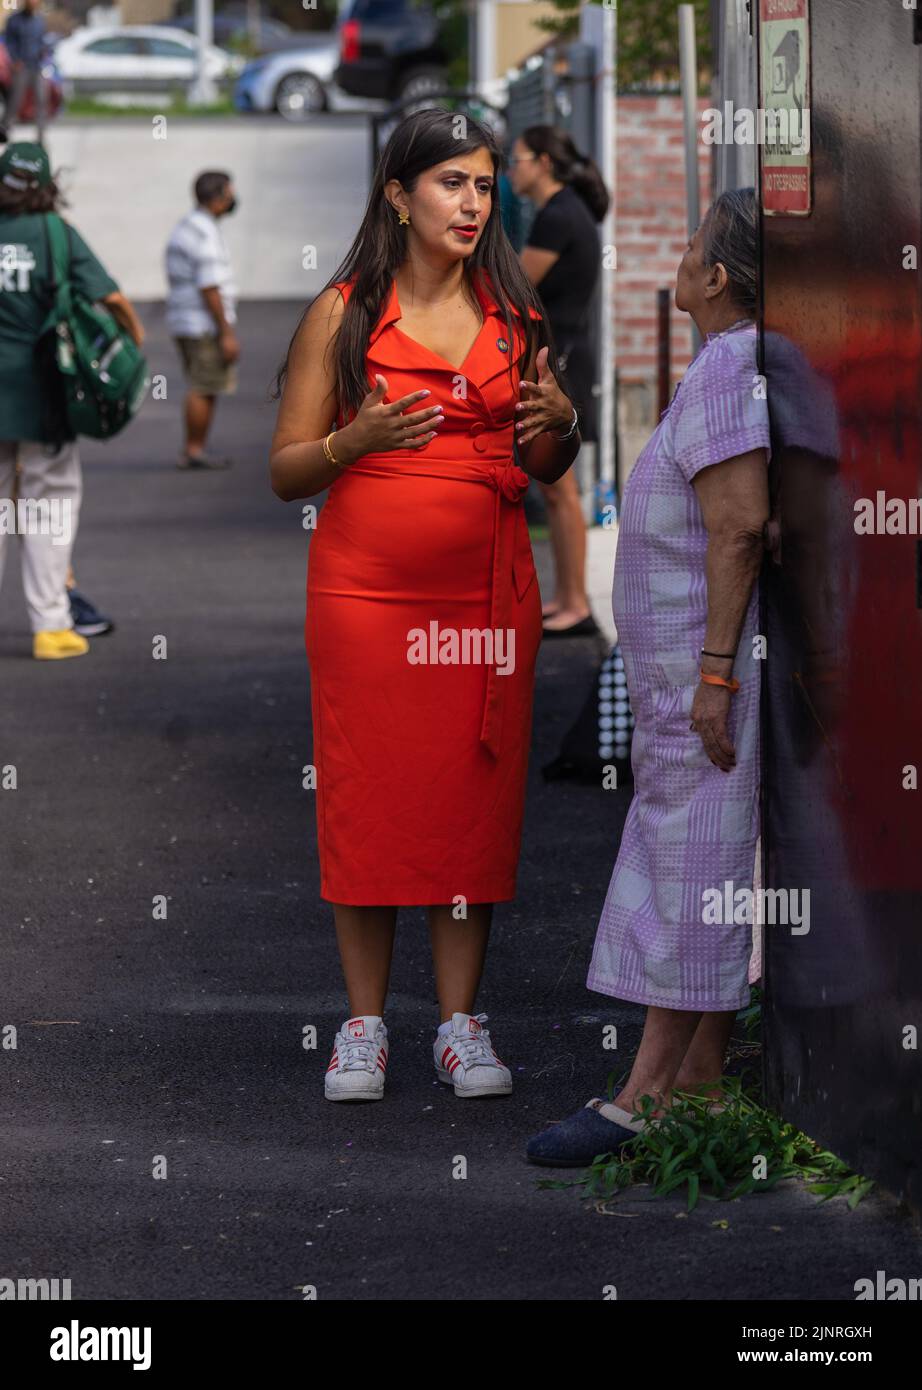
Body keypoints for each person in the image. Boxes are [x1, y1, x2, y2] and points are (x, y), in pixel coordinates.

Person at [270, 109, 581, 1104]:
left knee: (466, 801)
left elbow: (541, 462)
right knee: (368, 797)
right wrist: (352, 442)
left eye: (485, 185)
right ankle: (362, 1026)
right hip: (364, 598)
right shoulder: (343, 311)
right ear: (398, 194)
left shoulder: (513, 307)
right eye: (451, 183)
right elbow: (285, 470)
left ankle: (458, 1023)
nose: (473, 203)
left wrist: (563, 429)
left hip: (485, 595)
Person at [526, 189, 771, 1165]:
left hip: (706, 683)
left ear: (714, 277)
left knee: (695, 867)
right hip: (686, 680)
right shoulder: (725, 364)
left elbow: (739, 524)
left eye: (690, 248)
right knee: (689, 859)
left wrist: (714, 674)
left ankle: (647, 1092)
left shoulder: (727, 369)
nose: (676, 258)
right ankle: (701, 1081)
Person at [0, 143, 144, 659]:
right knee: (49, 507)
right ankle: (50, 626)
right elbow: (111, 299)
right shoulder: (57, 234)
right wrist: (136, 340)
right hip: (45, 397)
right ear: (48, 185)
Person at [509, 126, 610, 638]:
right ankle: (568, 597)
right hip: (565, 356)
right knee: (555, 490)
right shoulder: (565, 210)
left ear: (543, 163)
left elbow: (515, 287)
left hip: (563, 362)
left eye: (518, 160)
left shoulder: (558, 216)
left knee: (560, 489)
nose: (511, 170)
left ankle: (575, 603)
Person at [164, 170, 240, 470]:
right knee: (204, 385)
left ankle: (194, 448)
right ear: (218, 198)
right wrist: (226, 332)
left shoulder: (189, 226)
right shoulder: (204, 233)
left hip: (185, 319)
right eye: (229, 193)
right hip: (201, 324)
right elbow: (209, 286)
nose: (233, 199)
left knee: (202, 383)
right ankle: (193, 450)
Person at [1, 0, 48, 144]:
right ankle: (4, 129)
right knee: (15, 101)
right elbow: (9, 42)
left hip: (36, 66)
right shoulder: (14, 20)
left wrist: (44, 51)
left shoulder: (39, 20)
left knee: (41, 100)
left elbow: (41, 40)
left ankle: (40, 137)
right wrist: (15, 60)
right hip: (21, 66)